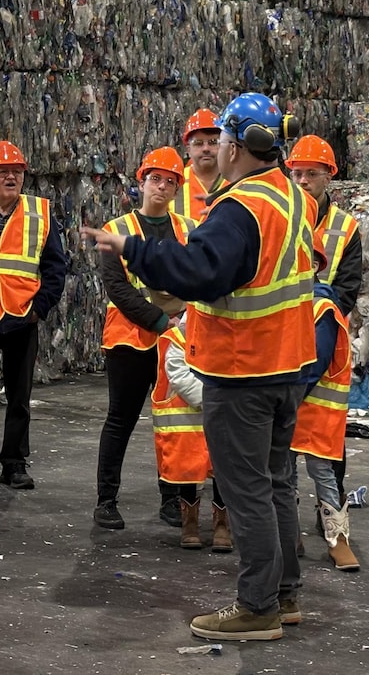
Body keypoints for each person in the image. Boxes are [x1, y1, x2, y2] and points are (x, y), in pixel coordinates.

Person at [84, 92, 314, 642]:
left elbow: (197, 271)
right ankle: (284, 594)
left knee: (247, 489)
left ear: (237, 145)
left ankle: (257, 607)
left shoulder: (241, 207)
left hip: (243, 369)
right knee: (275, 483)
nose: (216, 149)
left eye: (222, 139)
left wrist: (131, 248)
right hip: (286, 365)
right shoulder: (290, 195)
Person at [93, 147, 195, 531]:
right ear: (142, 182)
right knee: (120, 419)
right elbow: (118, 287)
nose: (162, 187)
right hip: (130, 339)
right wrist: (161, 320)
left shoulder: (189, 230)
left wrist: (183, 322)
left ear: (177, 189)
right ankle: (106, 501)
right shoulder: (117, 229)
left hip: (178, 339)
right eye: (155, 179)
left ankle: (174, 500)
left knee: (175, 422)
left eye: (170, 182)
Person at [0, 141, 66, 491]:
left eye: (16, 172)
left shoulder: (40, 212)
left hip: (23, 316)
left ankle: (14, 463)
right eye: (2, 171)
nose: (11, 177)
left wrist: (40, 308)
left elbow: (55, 267)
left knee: (20, 396)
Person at [285, 135, 362, 503]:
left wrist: (323, 320)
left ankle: (330, 506)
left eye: (311, 174)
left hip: (325, 340)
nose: (303, 181)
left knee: (327, 432)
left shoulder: (345, 227)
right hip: (284, 335)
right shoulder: (280, 214)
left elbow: (348, 287)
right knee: (284, 430)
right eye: (297, 173)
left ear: (328, 176)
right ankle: (285, 507)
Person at [291, 239, 360, 572]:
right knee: (285, 473)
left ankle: (338, 539)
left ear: (315, 266)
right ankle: (289, 534)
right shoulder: (292, 304)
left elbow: (315, 364)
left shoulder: (322, 309)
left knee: (323, 473)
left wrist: (285, 399)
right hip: (294, 406)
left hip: (312, 410)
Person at [154, 313, 230, 552]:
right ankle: (190, 523)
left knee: (223, 470)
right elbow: (178, 374)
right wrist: (212, 398)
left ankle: (222, 524)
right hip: (190, 422)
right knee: (188, 471)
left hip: (219, 417)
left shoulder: (230, 332)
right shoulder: (179, 336)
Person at [169, 108, 227, 223]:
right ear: (188, 149)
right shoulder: (173, 182)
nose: (206, 148)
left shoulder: (238, 182)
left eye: (213, 142)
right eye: (198, 143)